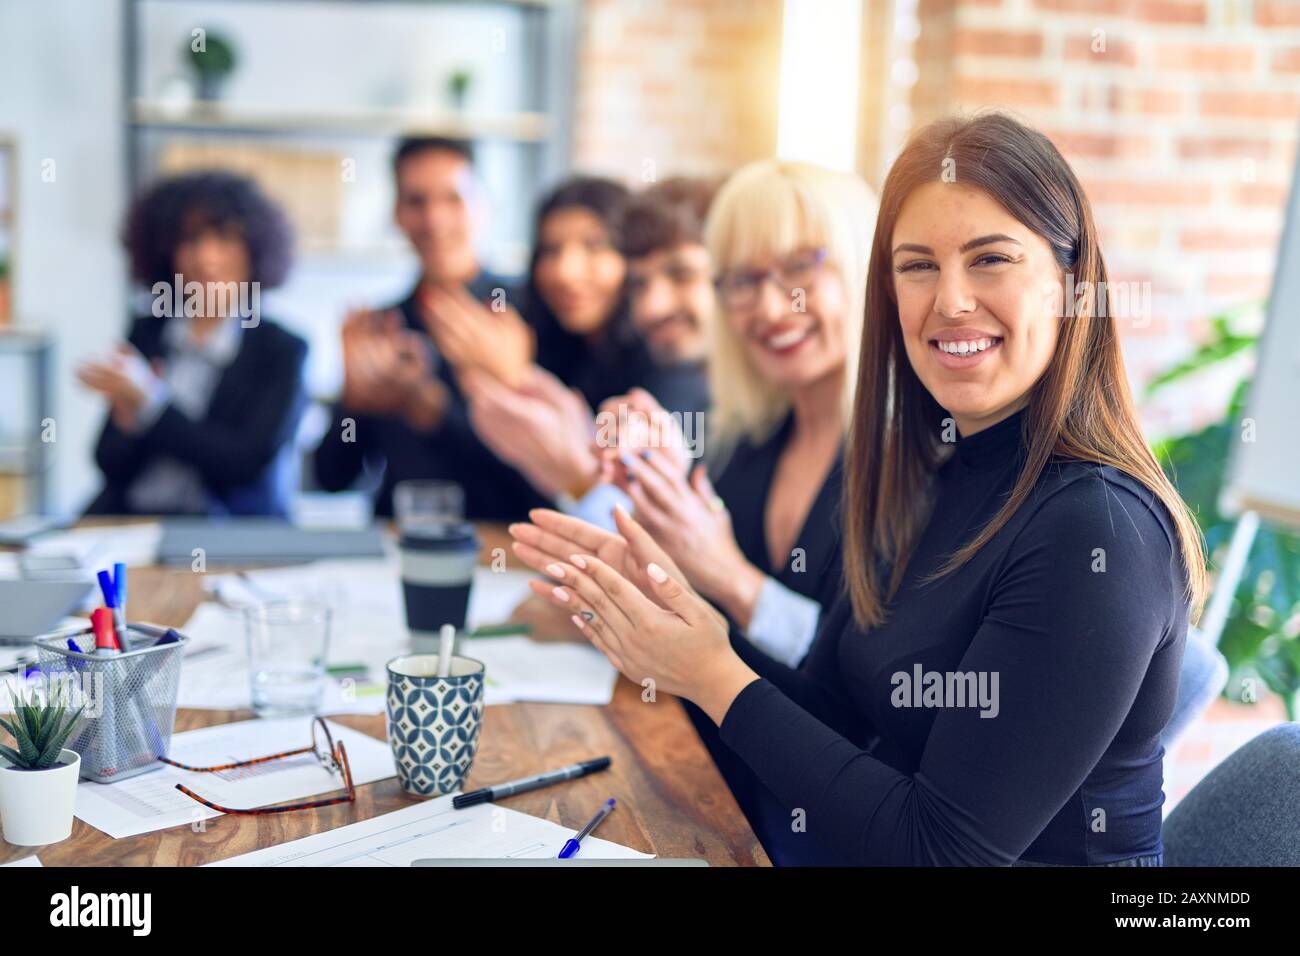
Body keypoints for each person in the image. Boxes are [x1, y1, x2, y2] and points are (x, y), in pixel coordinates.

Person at [510, 113, 1208, 867]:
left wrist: (713, 674)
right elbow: (843, 725)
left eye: (991, 259)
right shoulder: (932, 471)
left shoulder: (1098, 529)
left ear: (1070, 282)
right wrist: (676, 625)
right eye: (917, 266)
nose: (951, 301)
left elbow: (936, 850)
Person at [598, 160, 878, 668]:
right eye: (743, 280)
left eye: (798, 267)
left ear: (864, 268)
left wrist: (727, 574)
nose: (769, 309)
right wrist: (661, 507)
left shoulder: (917, 460)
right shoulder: (745, 443)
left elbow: (869, 683)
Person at [311, 135, 539, 520]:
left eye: (453, 199)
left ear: (484, 207)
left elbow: (538, 479)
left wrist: (439, 416)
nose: (434, 220)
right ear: (397, 214)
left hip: (504, 544)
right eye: (416, 201)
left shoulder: (527, 312)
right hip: (399, 544)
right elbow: (332, 477)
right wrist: (352, 405)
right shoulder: (384, 326)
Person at [81, 171, 307, 517]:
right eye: (189, 240)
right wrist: (128, 425)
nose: (206, 258)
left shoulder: (282, 350)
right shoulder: (147, 332)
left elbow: (242, 465)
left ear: (255, 249)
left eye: (224, 237)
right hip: (134, 524)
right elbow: (107, 462)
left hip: (233, 535)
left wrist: (149, 405)